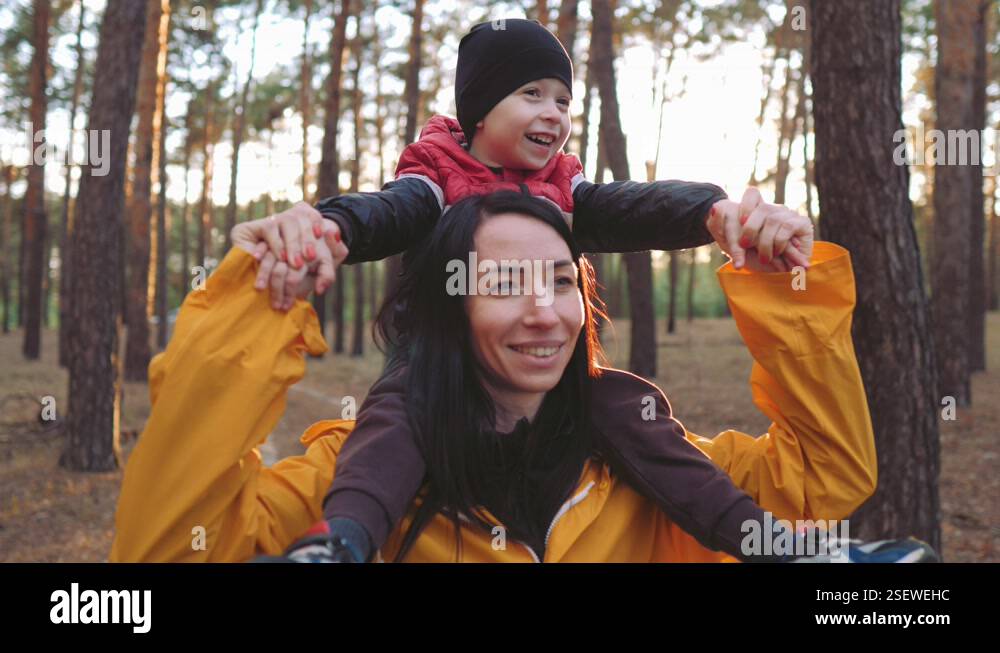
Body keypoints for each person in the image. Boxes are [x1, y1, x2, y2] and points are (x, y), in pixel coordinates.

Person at [238, 18, 817, 563]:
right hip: (433, 375)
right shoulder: (434, 178)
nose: (554, 113)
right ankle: (337, 544)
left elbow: (632, 206)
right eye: (532, 94)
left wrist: (711, 211)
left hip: (546, 386)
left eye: (563, 100)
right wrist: (329, 228)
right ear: (481, 111)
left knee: (628, 411)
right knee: (391, 435)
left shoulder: (563, 190)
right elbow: (386, 213)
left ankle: (776, 547)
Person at [110, 191, 897, 563]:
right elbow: (166, 552)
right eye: (503, 284)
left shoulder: (658, 470)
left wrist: (781, 289)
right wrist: (259, 297)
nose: (544, 313)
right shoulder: (351, 479)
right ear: (449, 309)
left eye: (559, 281)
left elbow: (827, 474)